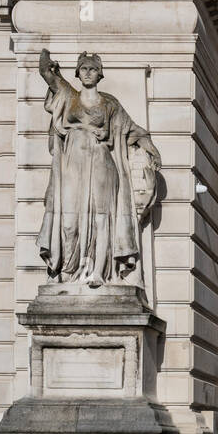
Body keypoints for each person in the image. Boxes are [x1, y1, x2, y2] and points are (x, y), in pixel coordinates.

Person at [37, 49, 160, 287]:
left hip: (102, 162)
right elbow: (47, 74)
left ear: (99, 74)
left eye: (92, 69)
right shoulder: (68, 94)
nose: (88, 73)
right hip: (73, 163)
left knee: (102, 218)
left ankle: (99, 272)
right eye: (83, 69)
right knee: (69, 221)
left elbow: (131, 129)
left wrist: (150, 148)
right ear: (77, 72)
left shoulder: (109, 104)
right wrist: (46, 58)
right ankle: (68, 272)